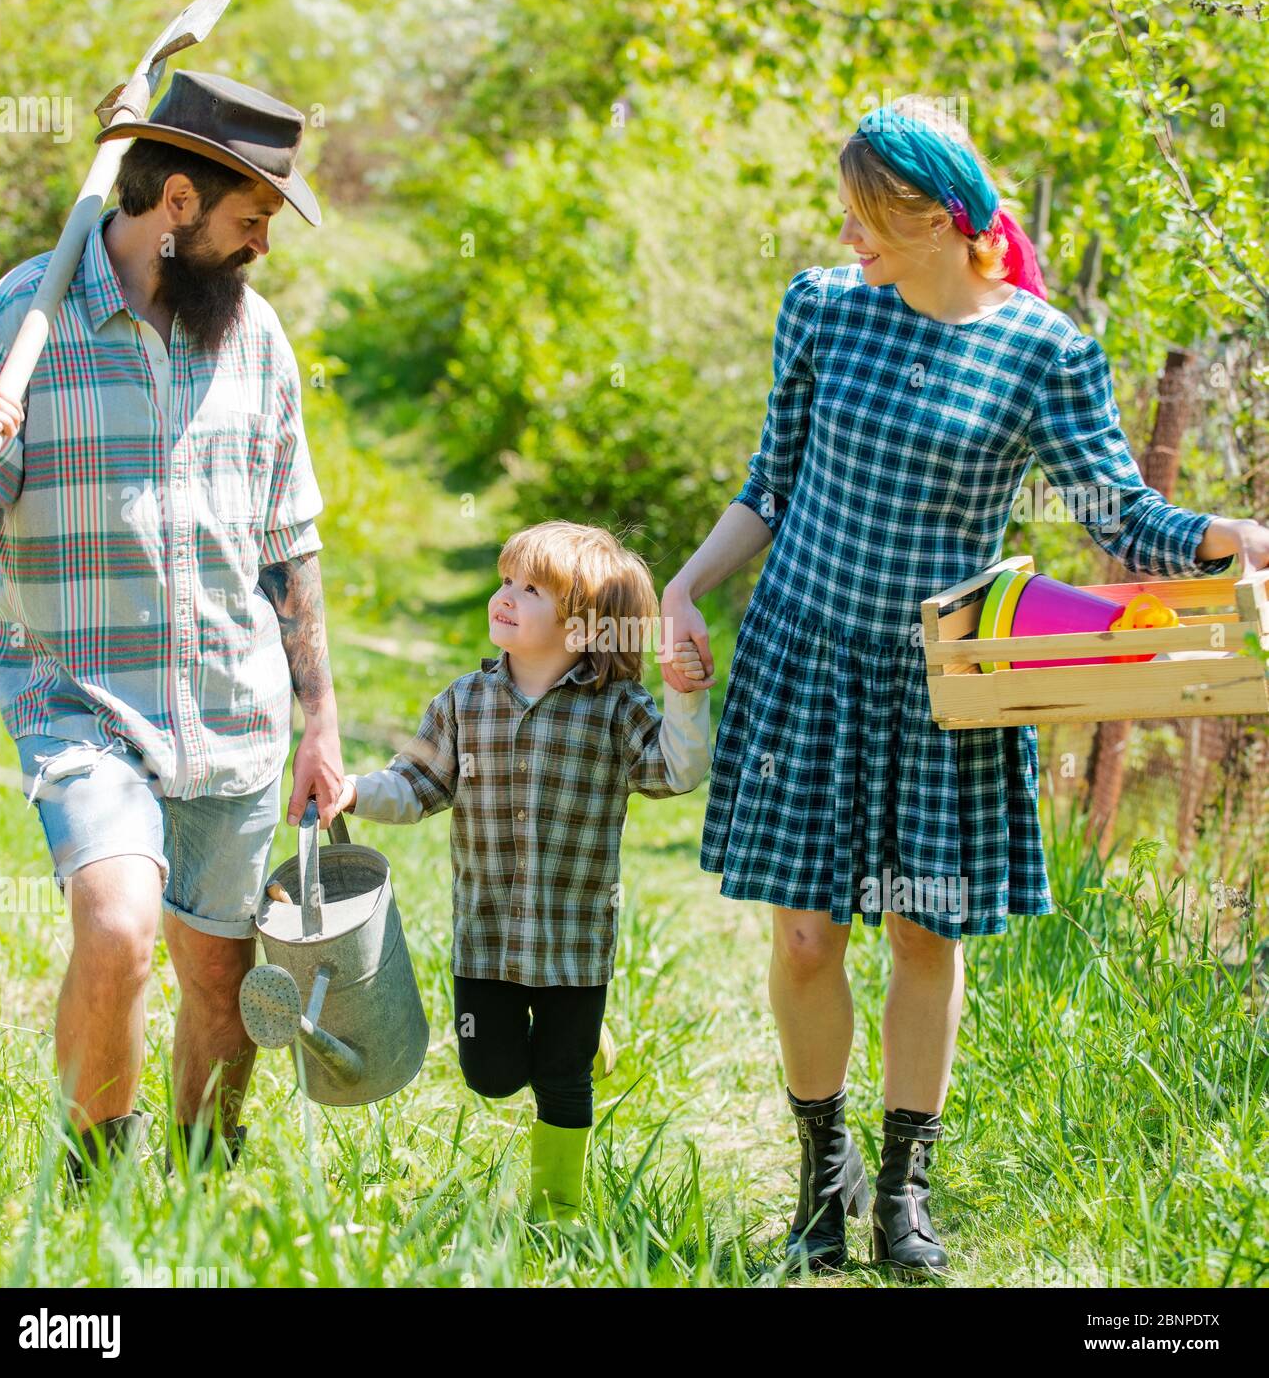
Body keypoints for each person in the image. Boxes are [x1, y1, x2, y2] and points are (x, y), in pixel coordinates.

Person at [659, 94, 1267, 1277]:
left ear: (938, 219)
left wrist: (1232, 537)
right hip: (806, 663)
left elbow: (1118, 514)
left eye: (866, 222)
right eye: (843, 220)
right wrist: (682, 590)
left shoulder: (1039, 348)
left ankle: (903, 1191)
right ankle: (818, 1193)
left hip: (950, 679)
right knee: (800, 937)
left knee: (924, 929)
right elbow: (768, 484)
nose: (848, 243)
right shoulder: (824, 311)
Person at [0, 72, 349, 1190]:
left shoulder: (254, 335)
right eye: (251, 221)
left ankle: (201, 1181)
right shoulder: (16, 323)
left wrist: (320, 718)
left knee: (223, 982)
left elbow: (292, 533)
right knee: (118, 923)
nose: (262, 249)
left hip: (234, 700)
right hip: (80, 692)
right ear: (176, 203)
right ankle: (93, 1184)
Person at [337, 520, 711, 1225]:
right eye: (507, 580)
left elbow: (676, 771)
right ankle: (562, 1048)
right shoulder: (461, 703)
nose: (506, 596)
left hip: (574, 945)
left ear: (587, 627)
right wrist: (356, 790)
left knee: (561, 1079)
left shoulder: (616, 711)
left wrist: (685, 695)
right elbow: (415, 784)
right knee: (493, 1074)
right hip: (488, 942)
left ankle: (557, 1210)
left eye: (532, 589)